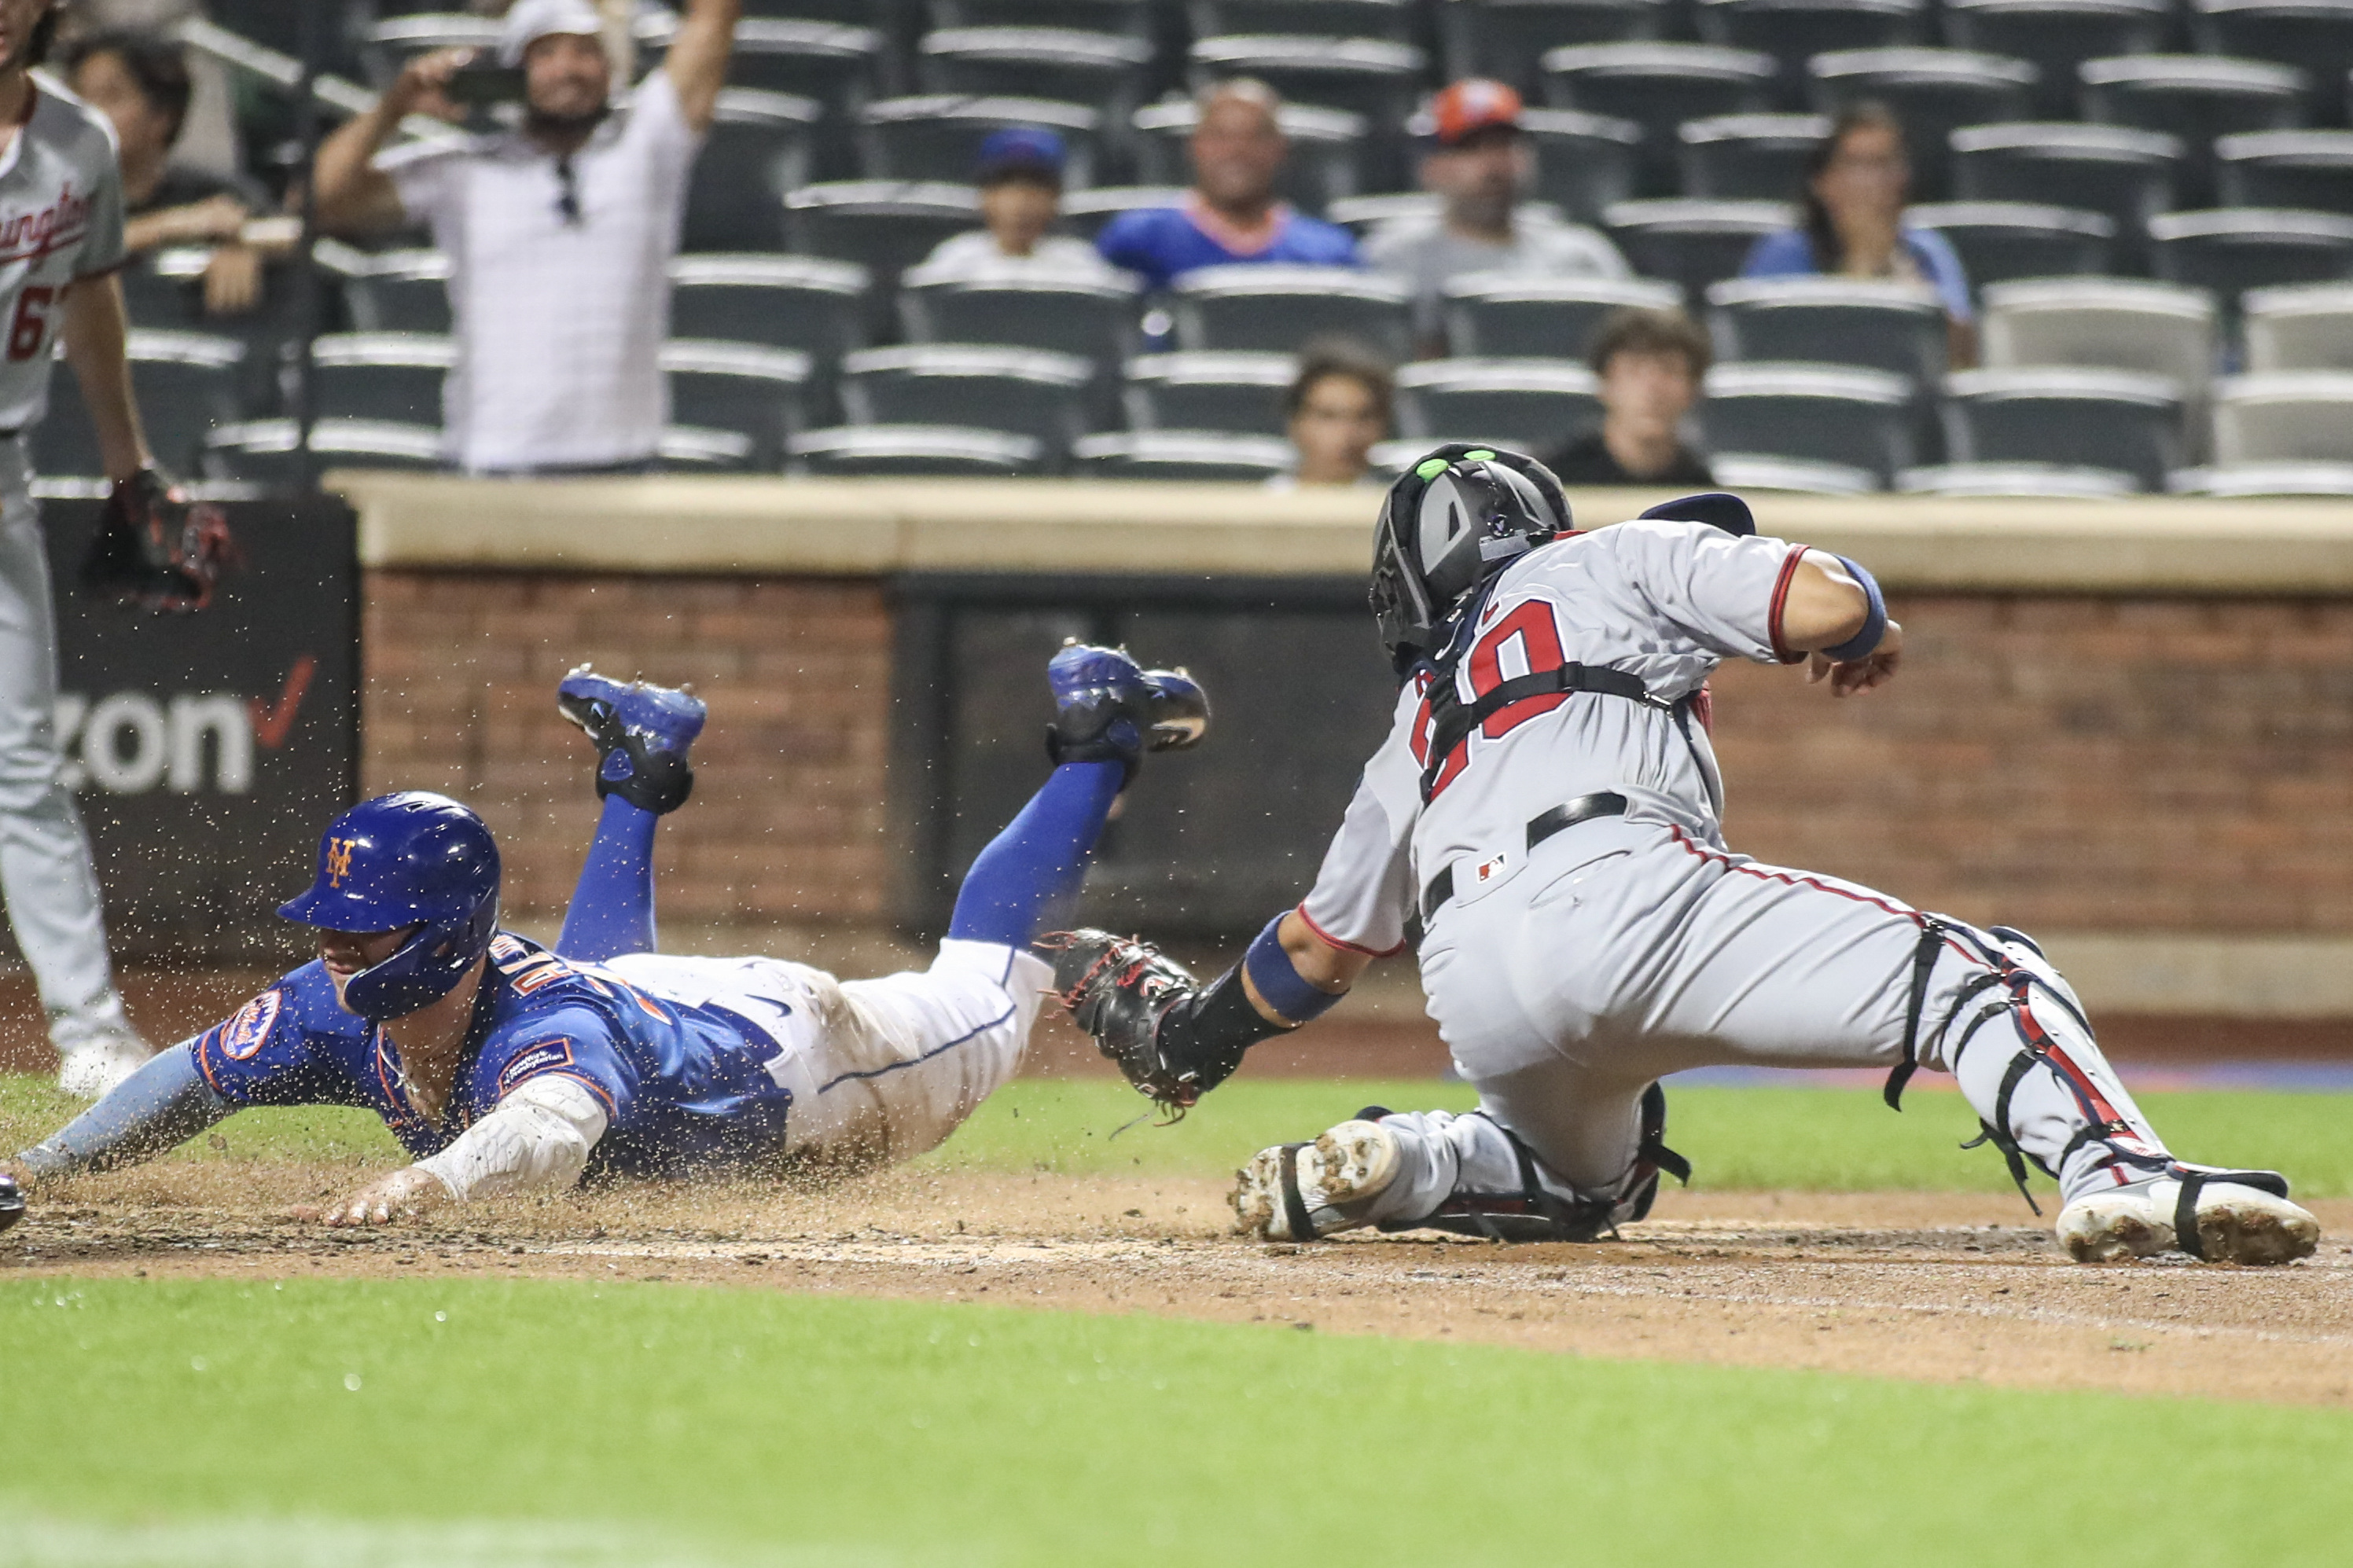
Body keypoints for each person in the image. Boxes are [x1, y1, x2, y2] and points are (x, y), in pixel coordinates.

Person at [1046, 447, 2322, 1269]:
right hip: (1620, 891)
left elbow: (1316, 954)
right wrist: (1861, 623)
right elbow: (1822, 600)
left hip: (1473, 988)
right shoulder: (1604, 554)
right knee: (1982, 976)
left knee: (1577, 1178)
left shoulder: (1413, 728)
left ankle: (1414, 1163)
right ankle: (2122, 1173)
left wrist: (1192, 1043)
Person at [3, 646, 1211, 1223]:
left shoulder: (549, 1027)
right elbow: (189, 1076)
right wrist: (45, 1169)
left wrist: (430, 1180)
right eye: (333, 926)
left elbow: (546, 1128)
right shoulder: (337, 1000)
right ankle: (640, 764)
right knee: (600, 975)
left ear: (439, 934)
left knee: (983, 989)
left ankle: (1097, 732)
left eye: (362, 933)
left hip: (804, 1058)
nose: (334, 950)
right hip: (645, 997)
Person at [0, 0, 215, 1100]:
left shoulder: (76, 140)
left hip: (3, 471)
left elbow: (90, 300)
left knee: (23, 764)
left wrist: (131, 465)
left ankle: (90, 1029)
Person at [312, 0, 738, 475]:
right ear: (515, 73)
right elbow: (320, 202)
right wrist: (395, 107)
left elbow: (714, 15)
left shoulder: (648, 147)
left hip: (624, 459)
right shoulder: (462, 171)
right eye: (546, 54)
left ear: (612, 68)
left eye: (585, 51)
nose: (568, 69)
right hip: (493, 457)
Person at [1365, 79, 1627, 355]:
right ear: (1431, 167)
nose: (1493, 164)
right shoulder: (1391, 259)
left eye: (1505, 145)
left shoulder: (1584, 259)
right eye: (1470, 148)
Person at [64, 31, 285, 320]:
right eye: (77, 97)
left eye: (110, 97)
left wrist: (244, 245)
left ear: (161, 117)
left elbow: (292, 233)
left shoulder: (213, 192)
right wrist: (170, 227)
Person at [1740, 102, 1976, 369]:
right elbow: (1758, 342)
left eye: (1884, 164)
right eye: (1856, 165)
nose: (1872, 181)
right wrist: (1858, 262)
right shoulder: (1783, 252)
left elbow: (1961, 353)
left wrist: (1896, 266)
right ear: (1822, 182)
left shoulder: (1928, 250)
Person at [1094, 79, 1358, 293]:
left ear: (1280, 149)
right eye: (1221, 136)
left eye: (1254, 137)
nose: (1236, 151)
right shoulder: (1137, 240)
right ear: (1195, 146)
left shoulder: (1329, 254)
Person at [1544, 307, 1715, 487]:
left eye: (1669, 370)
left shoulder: (1700, 491)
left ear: (1694, 390)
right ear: (1604, 383)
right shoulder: (1553, 482)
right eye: (1634, 370)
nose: (1652, 389)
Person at [919, 127, 1118, 277]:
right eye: (1006, 186)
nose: (1021, 202)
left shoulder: (1081, 264)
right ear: (984, 196)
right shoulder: (953, 261)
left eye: (1036, 187)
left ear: (1056, 199)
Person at [1275, 338, 1390, 488]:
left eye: (1363, 417)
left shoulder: (1394, 509)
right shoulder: (1256, 507)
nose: (1348, 434)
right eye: (1328, 416)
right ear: (1296, 424)